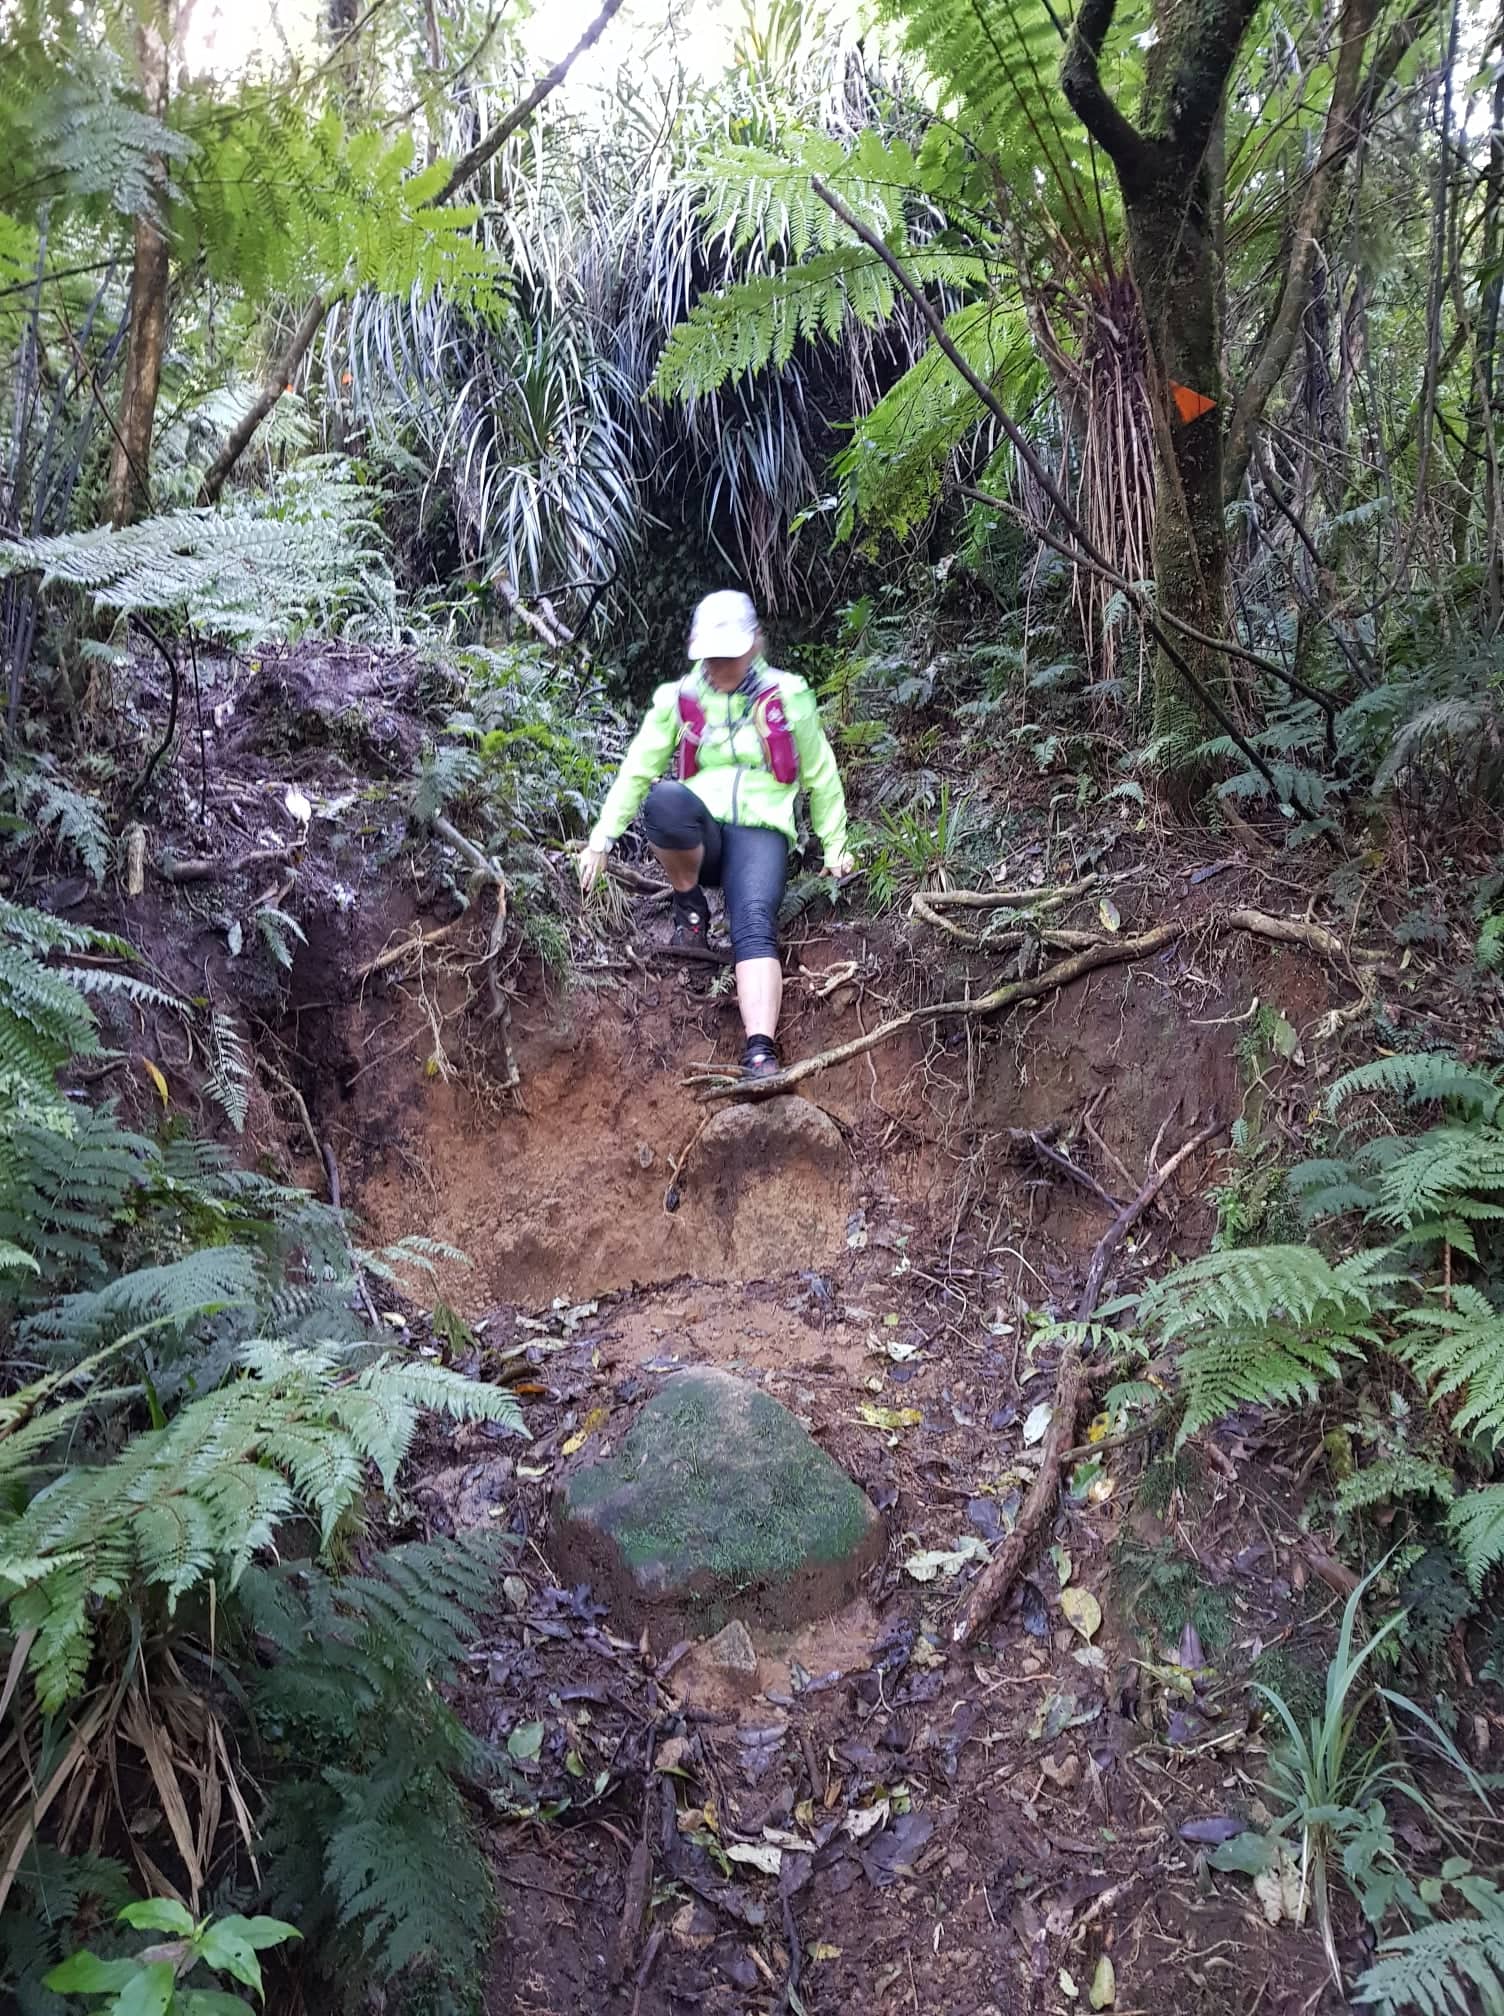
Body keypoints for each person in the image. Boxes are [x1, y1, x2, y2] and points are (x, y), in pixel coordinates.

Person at [577, 590, 855, 1079]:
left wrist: (835, 846)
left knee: (752, 918)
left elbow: (820, 773)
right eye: (712, 655)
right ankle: (690, 905)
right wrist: (601, 839)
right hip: (703, 833)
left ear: (754, 645)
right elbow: (637, 769)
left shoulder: (788, 695)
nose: (720, 665)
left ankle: (760, 1052)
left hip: (760, 832)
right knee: (663, 800)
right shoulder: (678, 699)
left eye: (729, 654)